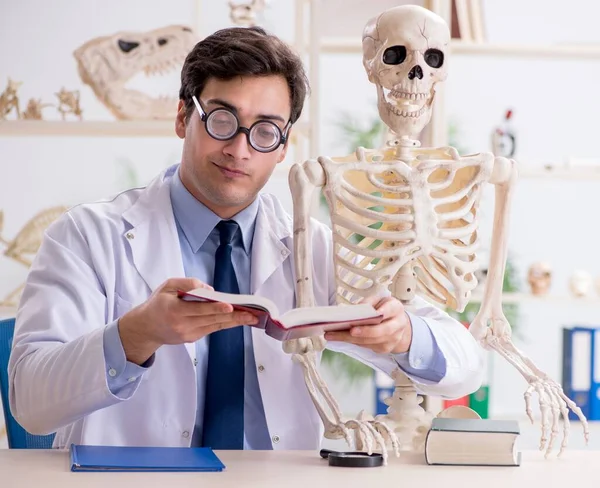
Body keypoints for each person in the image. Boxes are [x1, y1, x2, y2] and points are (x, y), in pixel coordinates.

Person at [8, 26, 484, 450]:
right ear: (182, 118)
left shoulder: (314, 249)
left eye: (266, 131)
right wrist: (138, 334)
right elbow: (30, 401)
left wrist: (403, 335)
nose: (239, 148)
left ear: (284, 145)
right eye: (220, 120)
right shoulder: (88, 236)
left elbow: (466, 364)